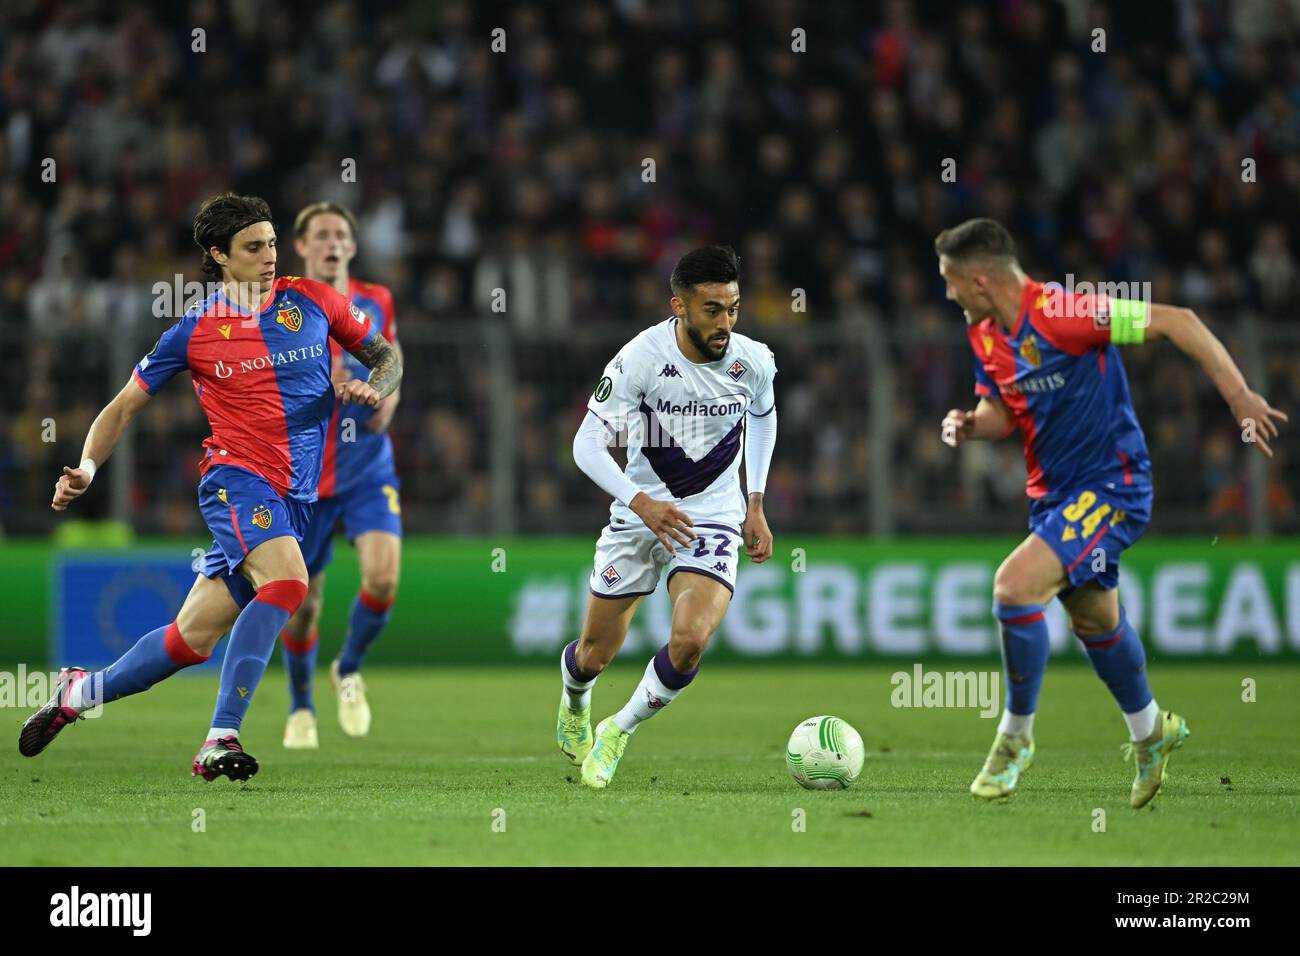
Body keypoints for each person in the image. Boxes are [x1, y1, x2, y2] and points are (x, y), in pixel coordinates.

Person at [22, 192, 401, 782]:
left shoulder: (316, 300)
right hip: (237, 482)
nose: (270, 256)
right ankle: (220, 736)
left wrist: (375, 385)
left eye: (273, 243)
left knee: (189, 640)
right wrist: (88, 468)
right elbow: (122, 407)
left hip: (296, 498)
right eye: (254, 248)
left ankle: (77, 693)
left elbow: (385, 355)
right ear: (220, 255)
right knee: (289, 581)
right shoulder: (195, 329)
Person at [936, 218, 1287, 807]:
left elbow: (1179, 321)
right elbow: (1002, 408)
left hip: (1113, 486)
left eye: (949, 282)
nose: (946, 295)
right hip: (1053, 498)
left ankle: (1015, 739)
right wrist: (972, 426)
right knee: (1095, 622)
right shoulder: (985, 335)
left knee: (1013, 589)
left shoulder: (1068, 314)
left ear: (977, 281)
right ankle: (1153, 732)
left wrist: (1239, 396)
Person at [560, 245, 778, 789]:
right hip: (640, 515)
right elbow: (586, 445)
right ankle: (576, 698)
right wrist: (641, 503)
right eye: (712, 310)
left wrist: (755, 503)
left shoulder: (754, 361)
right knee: (594, 654)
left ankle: (619, 729)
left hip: (713, 519)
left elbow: (764, 419)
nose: (725, 322)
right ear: (678, 306)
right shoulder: (639, 359)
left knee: (690, 639)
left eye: (732, 307)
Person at [279, 202, 404, 748]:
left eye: (340, 235)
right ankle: (301, 707)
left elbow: (390, 358)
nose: (331, 243)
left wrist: (385, 400)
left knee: (382, 578)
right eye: (320, 235)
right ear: (301, 247)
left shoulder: (376, 300)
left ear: (352, 247)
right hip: (304, 475)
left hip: (366, 465)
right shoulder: (283, 308)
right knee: (303, 606)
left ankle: (348, 667)